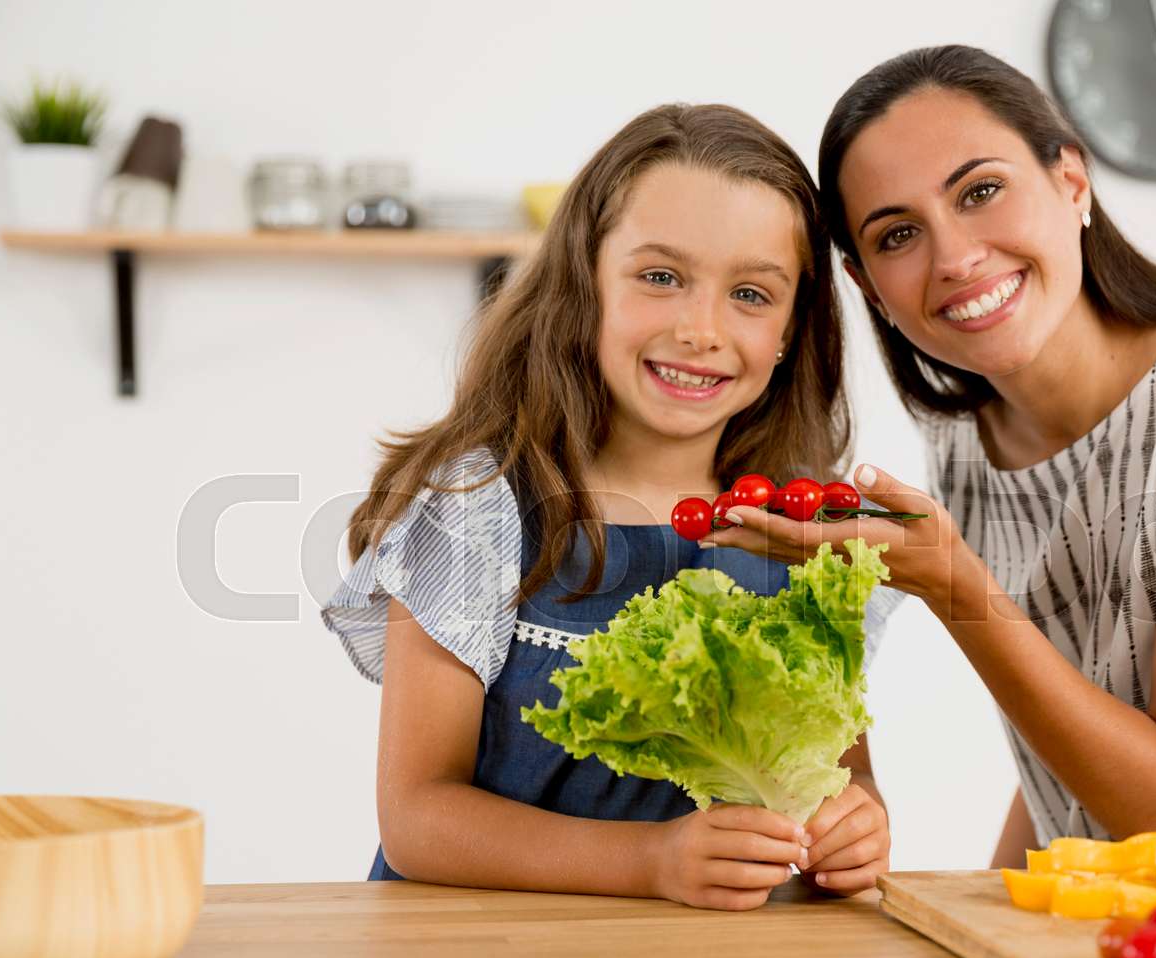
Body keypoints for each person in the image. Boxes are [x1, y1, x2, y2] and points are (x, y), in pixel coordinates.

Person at [705, 46, 1156, 863]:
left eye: (980, 192)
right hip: (1125, 943)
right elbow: (1077, 738)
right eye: (899, 234)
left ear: (1071, 183)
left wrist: (952, 584)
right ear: (870, 289)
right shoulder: (967, 443)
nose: (955, 257)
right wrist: (993, 911)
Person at [322, 103, 892, 909]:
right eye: (661, 278)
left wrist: (854, 825)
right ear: (584, 282)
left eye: (752, 294)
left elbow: (845, 778)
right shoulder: (480, 507)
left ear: (795, 329)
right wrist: (651, 862)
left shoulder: (811, 530)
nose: (701, 328)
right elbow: (417, 817)